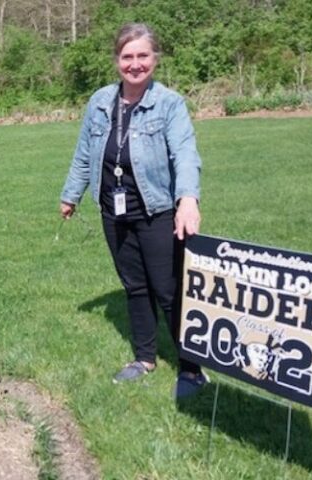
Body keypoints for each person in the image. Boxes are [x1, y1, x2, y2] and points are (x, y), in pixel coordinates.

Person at [59, 22, 208, 398]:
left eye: (143, 55)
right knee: (135, 287)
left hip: (158, 211)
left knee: (170, 290)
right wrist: (70, 195)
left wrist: (187, 199)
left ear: (154, 58)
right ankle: (145, 358)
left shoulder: (169, 103)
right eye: (128, 56)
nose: (135, 64)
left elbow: (185, 152)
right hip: (114, 211)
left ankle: (192, 370)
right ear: (117, 60)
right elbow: (84, 155)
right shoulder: (99, 102)